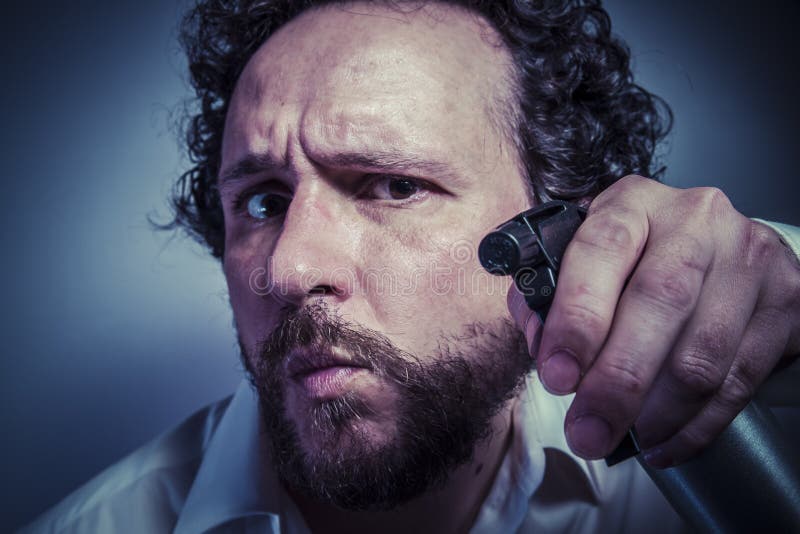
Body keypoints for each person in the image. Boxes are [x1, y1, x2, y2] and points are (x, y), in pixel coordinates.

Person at [23, 1, 800, 533]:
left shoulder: (709, 456)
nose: (290, 270)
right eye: (261, 203)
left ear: (561, 220)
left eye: (395, 186)